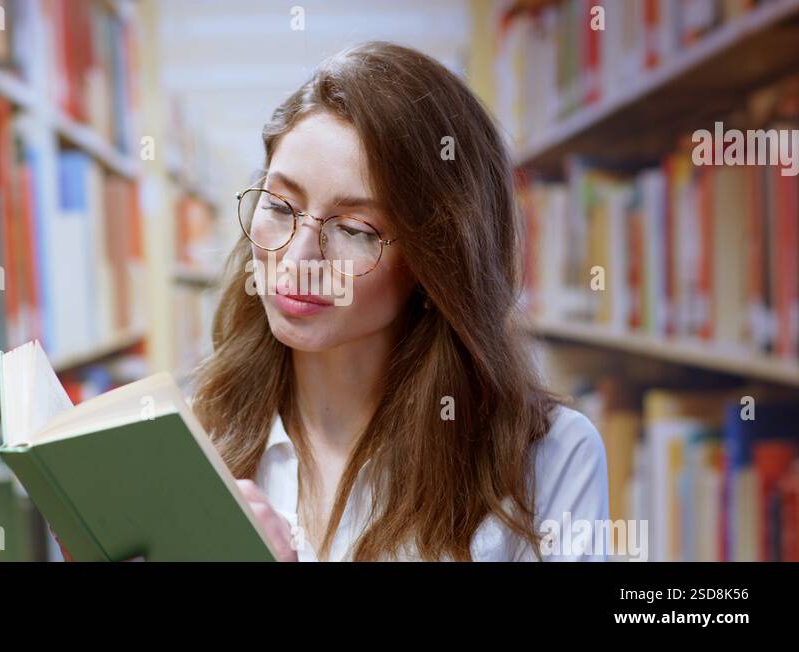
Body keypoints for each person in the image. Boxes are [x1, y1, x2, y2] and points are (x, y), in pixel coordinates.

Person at [57, 41, 609, 562]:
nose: (297, 260)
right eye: (280, 206)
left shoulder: (549, 456)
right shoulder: (188, 433)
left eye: (354, 230)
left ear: (435, 262)